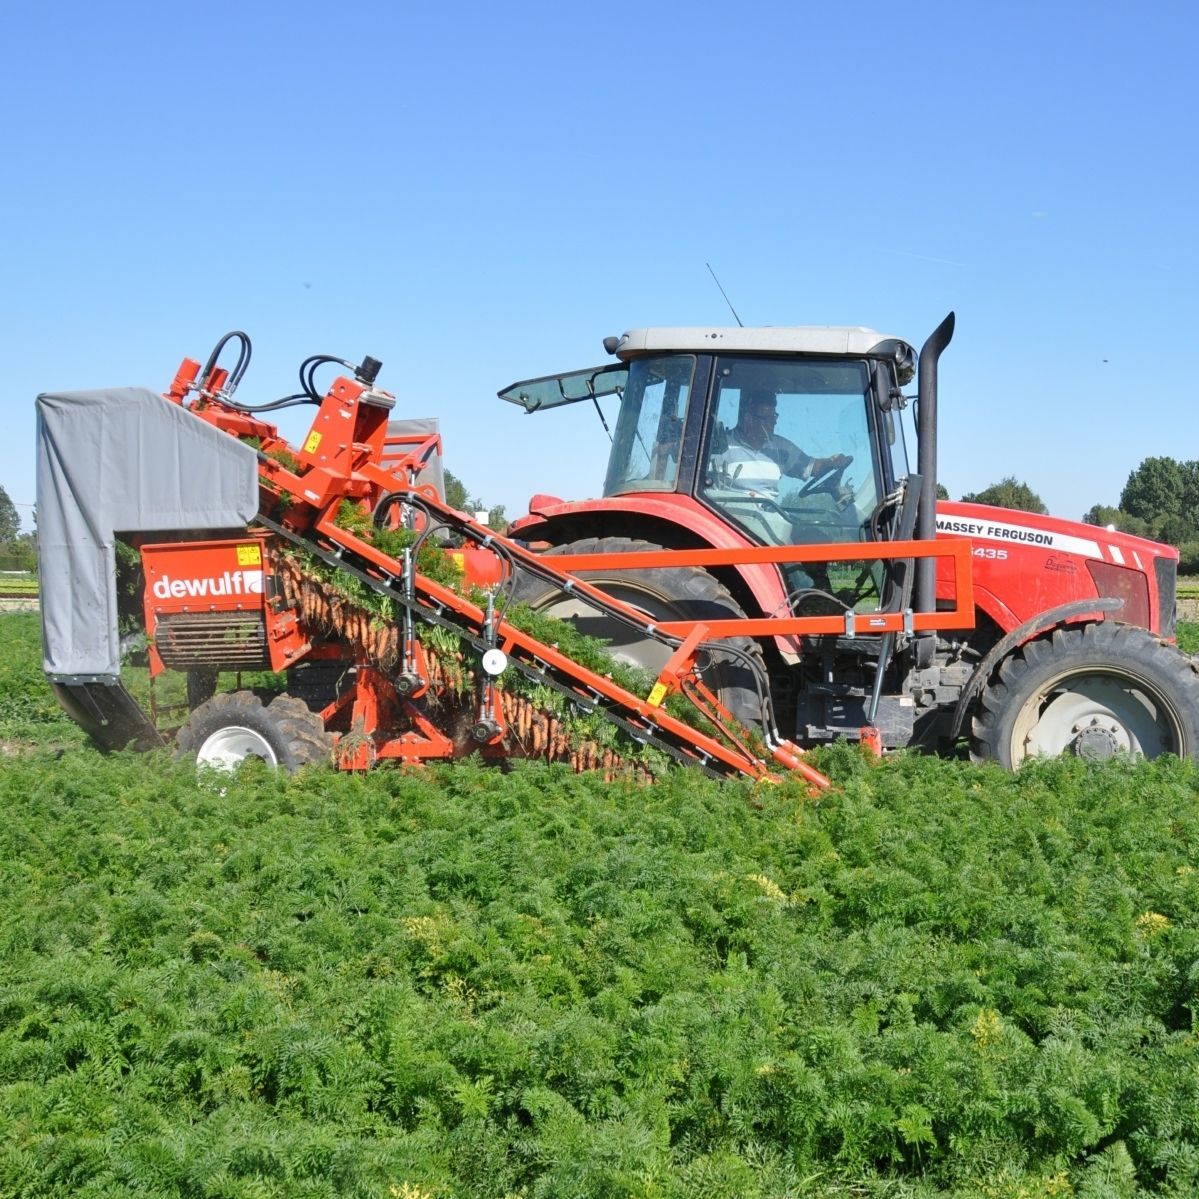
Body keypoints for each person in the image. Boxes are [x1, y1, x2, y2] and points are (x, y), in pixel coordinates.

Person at [712, 389, 851, 495]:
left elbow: (810, 467)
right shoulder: (722, 446)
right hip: (731, 518)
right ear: (748, 418)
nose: (774, 422)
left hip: (769, 518)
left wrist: (831, 462)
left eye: (774, 416)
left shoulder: (780, 448)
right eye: (767, 418)